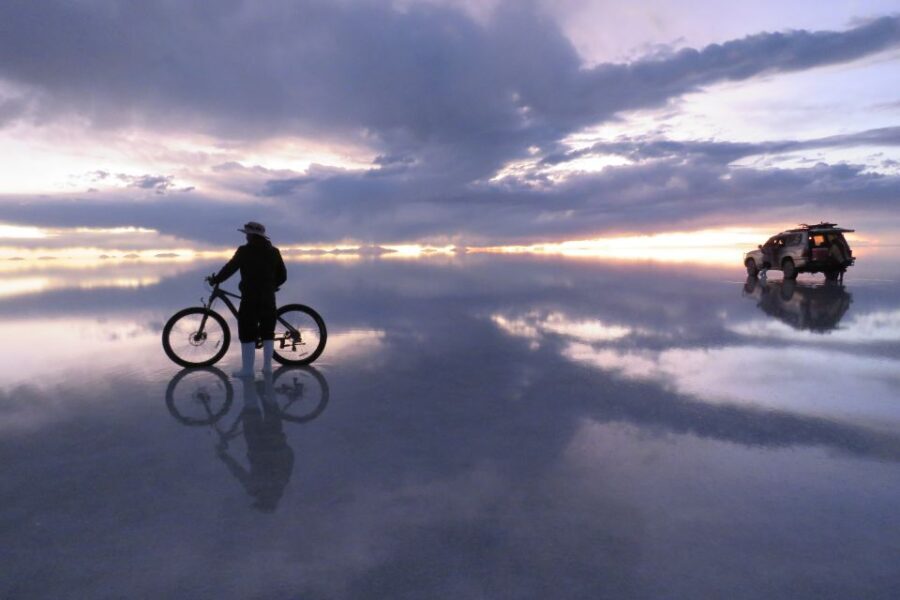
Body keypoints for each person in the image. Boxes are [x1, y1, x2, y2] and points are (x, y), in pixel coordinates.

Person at [208, 221, 287, 376]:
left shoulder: (245, 251)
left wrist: (216, 280)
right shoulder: (274, 251)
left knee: (247, 331)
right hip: (268, 298)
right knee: (267, 331)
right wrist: (272, 286)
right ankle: (267, 368)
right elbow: (283, 276)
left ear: (251, 235)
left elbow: (230, 268)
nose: (246, 237)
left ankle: (248, 370)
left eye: (247, 234)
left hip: (250, 297)